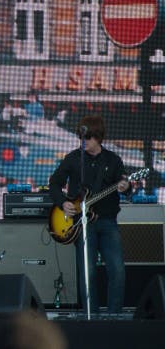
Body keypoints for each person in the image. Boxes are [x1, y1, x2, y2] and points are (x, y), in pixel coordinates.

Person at [48, 115, 129, 314]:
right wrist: (64, 202)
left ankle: (114, 317)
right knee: (88, 273)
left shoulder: (113, 160)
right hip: (83, 224)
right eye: (82, 137)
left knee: (117, 270)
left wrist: (126, 186)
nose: (83, 142)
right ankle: (90, 316)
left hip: (108, 222)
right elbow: (54, 183)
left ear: (98, 137)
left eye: (88, 138)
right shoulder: (74, 158)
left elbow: (126, 186)